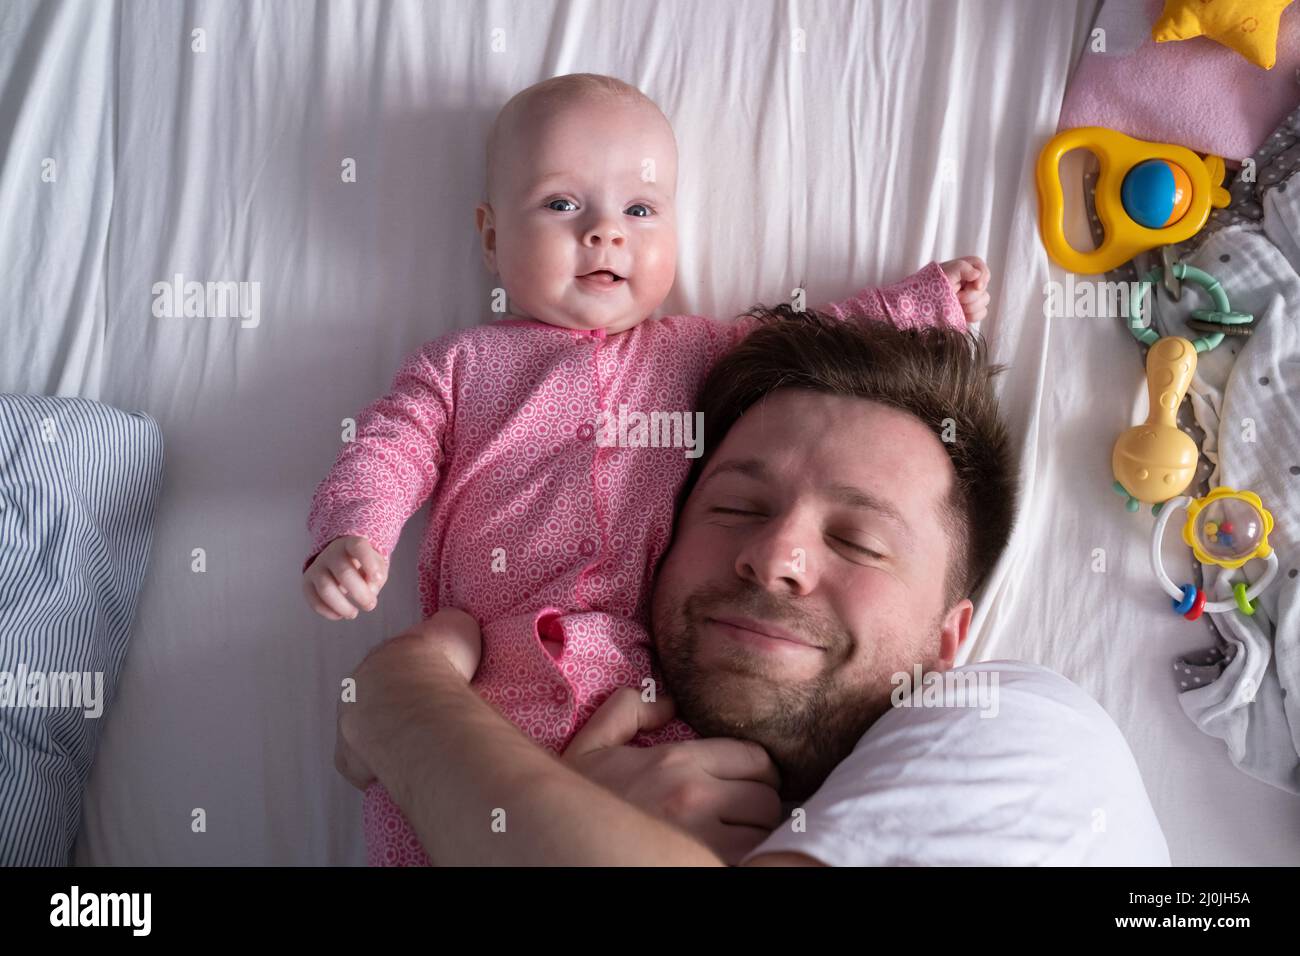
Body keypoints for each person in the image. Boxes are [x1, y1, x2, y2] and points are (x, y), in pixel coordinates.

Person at [301, 71, 989, 864]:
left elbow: (812, 348)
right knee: (422, 767)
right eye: (562, 205)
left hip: (641, 680)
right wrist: (355, 534)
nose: (604, 234)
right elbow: (388, 448)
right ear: (490, 237)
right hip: (487, 663)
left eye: (640, 210)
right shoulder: (459, 365)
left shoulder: (695, 355)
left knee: (727, 793)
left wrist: (919, 306)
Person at [334, 309, 1172, 866]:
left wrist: (397, 694)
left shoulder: (1034, 734)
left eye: (858, 540)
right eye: (736, 506)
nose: (776, 556)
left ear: (949, 640)